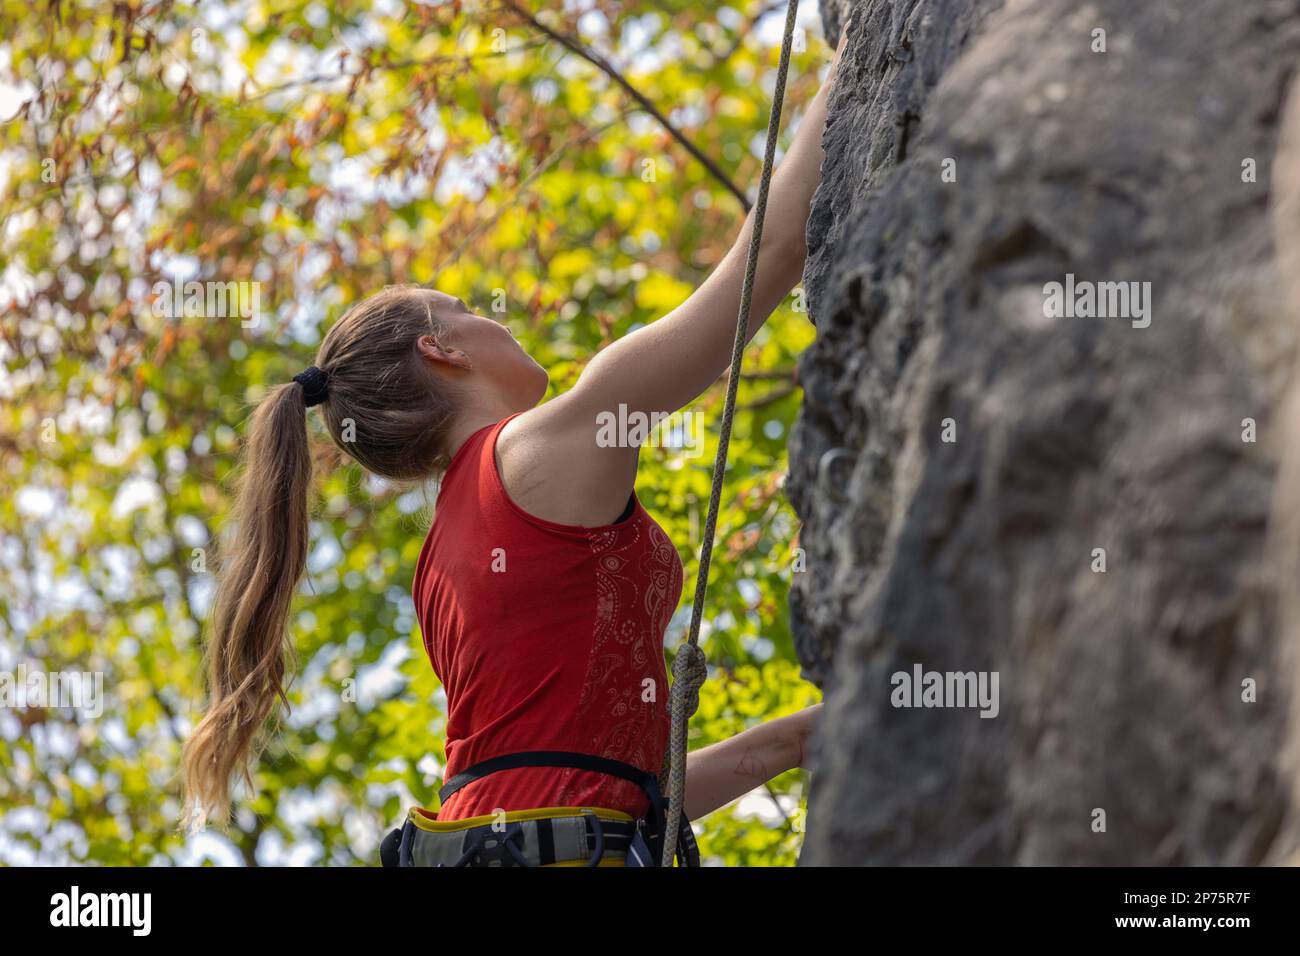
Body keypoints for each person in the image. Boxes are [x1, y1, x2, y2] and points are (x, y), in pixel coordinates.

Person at [183, 28, 846, 858]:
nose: (494, 318)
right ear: (443, 349)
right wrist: (855, 57)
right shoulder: (540, 453)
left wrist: (796, 741)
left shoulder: (439, 568)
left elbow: (594, 777)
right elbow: (767, 258)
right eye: (468, 308)